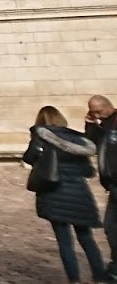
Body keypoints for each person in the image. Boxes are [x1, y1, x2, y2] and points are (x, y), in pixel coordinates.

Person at [23, 106, 109, 283]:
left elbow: (29, 157)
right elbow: (88, 171)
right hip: (79, 192)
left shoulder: (41, 135)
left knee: (64, 241)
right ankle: (99, 276)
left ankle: (74, 280)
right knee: (87, 238)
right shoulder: (77, 139)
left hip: (54, 193)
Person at [87, 95, 115, 266]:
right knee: (111, 227)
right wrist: (90, 125)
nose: (96, 115)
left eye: (98, 111)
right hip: (112, 184)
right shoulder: (102, 125)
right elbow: (90, 145)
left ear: (108, 106)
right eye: (93, 112)